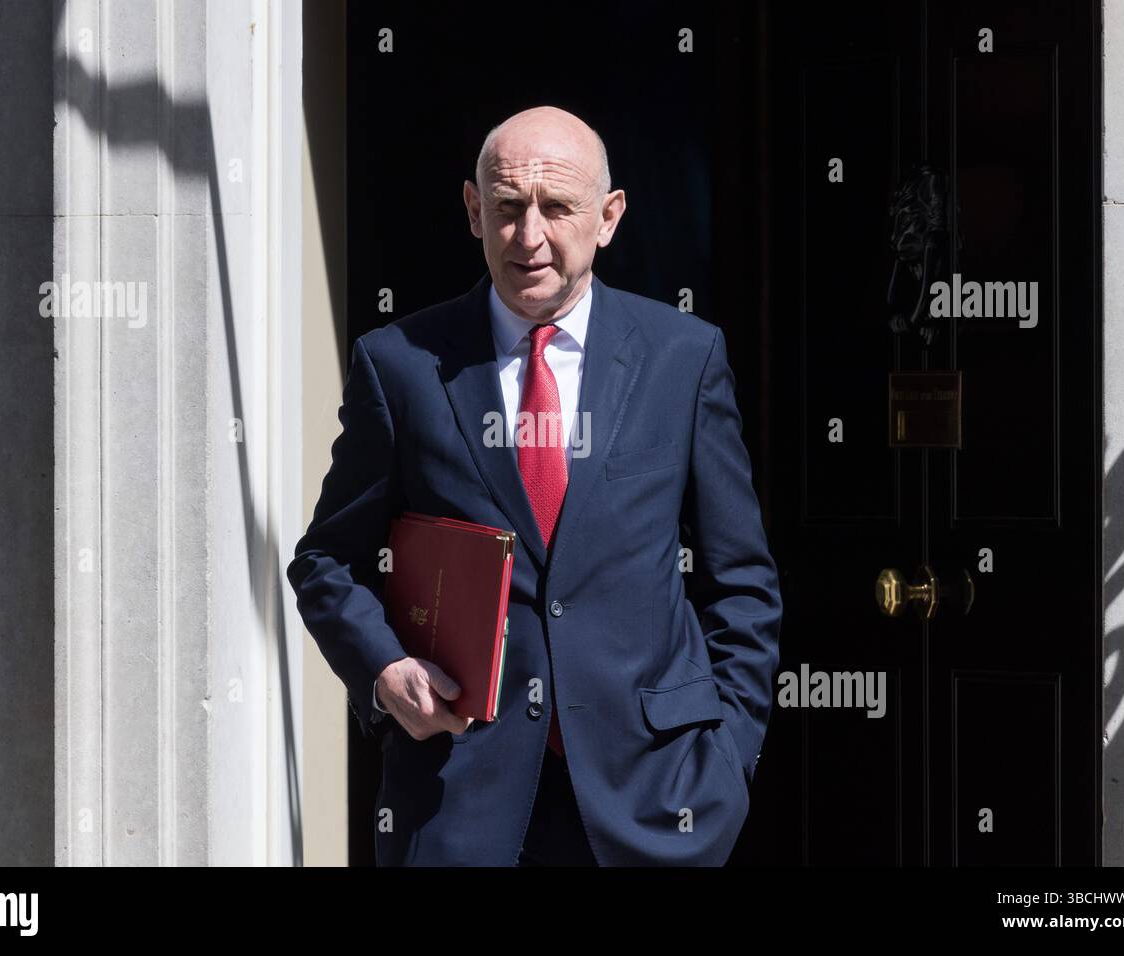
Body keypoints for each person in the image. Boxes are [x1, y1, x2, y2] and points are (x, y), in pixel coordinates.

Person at [287, 105, 782, 866]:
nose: (530, 236)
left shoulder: (683, 358)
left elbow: (741, 579)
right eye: (509, 207)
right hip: (460, 800)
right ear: (472, 210)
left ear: (609, 217)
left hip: (654, 804)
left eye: (558, 207)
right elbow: (325, 562)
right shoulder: (400, 365)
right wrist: (384, 673)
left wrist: (728, 765)